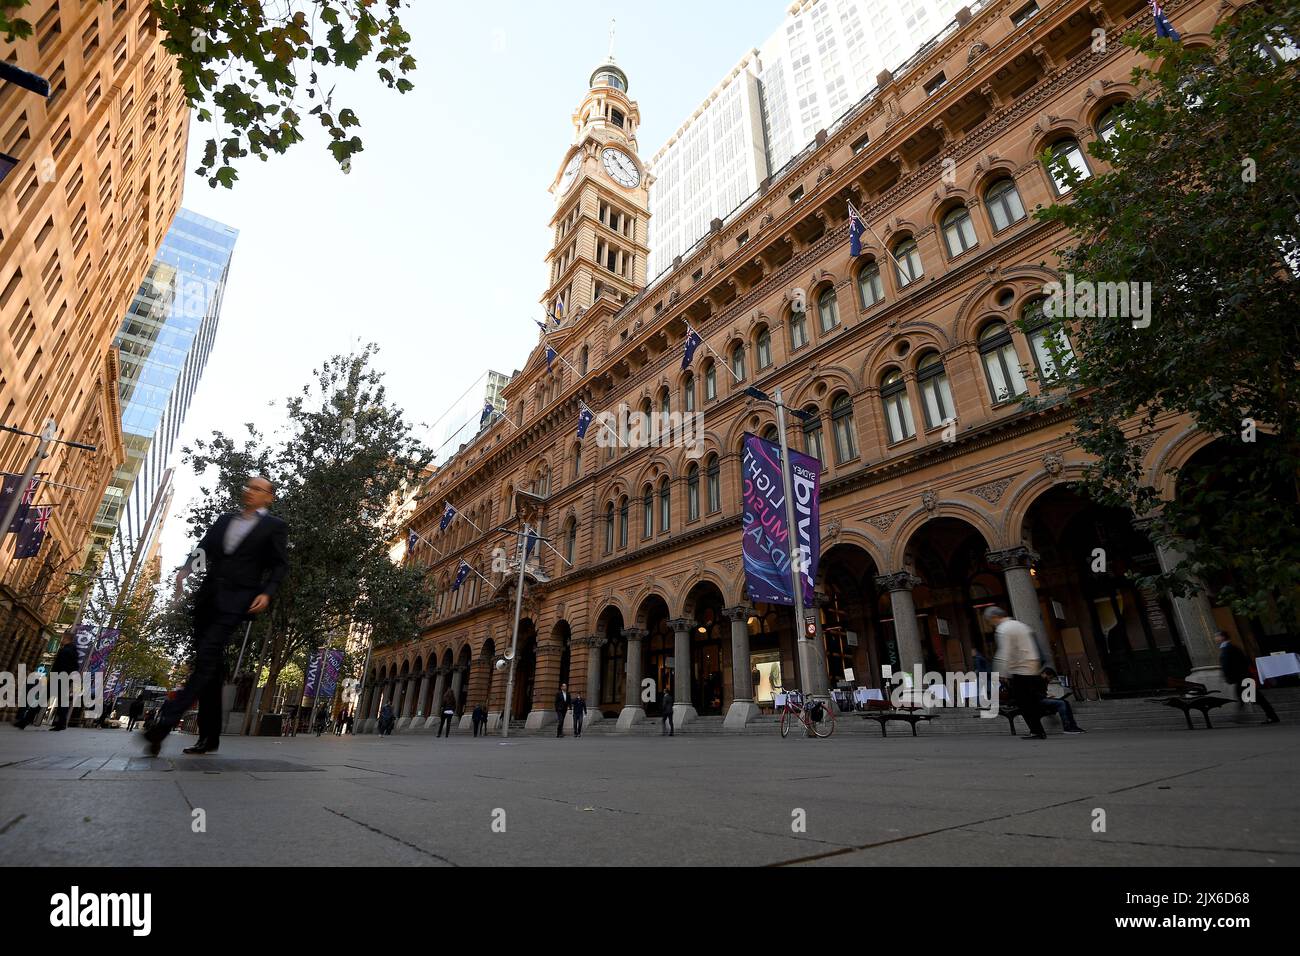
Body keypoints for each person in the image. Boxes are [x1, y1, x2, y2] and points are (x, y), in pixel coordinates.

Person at [145, 476, 288, 757]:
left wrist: (267, 592)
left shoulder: (275, 527)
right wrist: (186, 570)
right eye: (249, 486)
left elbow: (280, 565)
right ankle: (209, 737)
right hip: (207, 599)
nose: (251, 491)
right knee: (209, 666)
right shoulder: (225, 520)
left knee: (207, 657)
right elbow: (204, 548)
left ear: (269, 497)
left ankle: (164, 722)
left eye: (258, 489)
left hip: (237, 602)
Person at [986, 606, 1046, 740]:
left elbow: (1004, 652)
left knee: (1023, 702)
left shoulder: (1003, 629)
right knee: (1031, 701)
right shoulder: (1021, 626)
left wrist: (1001, 673)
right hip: (1032, 668)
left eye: (990, 621)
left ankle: (1036, 731)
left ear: (995, 617)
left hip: (1020, 670)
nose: (991, 624)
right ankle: (1038, 730)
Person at [1219, 632, 1280, 724]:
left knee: (1255, 697)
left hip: (1242, 677)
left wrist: (1230, 676)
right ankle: (1240, 716)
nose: (1215, 638)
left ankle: (1270, 715)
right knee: (1245, 696)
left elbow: (1230, 664)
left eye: (1217, 636)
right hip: (1242, 677)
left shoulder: (1230, 648)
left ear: (1222, 637)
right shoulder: (1228, 648)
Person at [48, 633, 80, 731]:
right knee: (62, 702)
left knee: (44, 697)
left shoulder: (65, 651)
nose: (61, 640)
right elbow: (76, 667)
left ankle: (25, 720)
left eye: (62, 638)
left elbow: (60, 666)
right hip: (66, 679)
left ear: (66, 639)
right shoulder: (75, 652)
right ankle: (61, 723)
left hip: (58, 678)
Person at [1038, 667, 1085, 734]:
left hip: (1043, 699)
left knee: (1066, 702)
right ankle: (1067, 727)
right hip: (1038, 701)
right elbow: (1034, 694)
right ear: (1045, 674)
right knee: (1061, 703)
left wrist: (1049, 696)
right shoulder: (1036, 680)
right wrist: (1047, 696)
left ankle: (1073, 726)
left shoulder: (1044, 681)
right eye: (1050, 677)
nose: (1050, 679)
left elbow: (1043, 692)